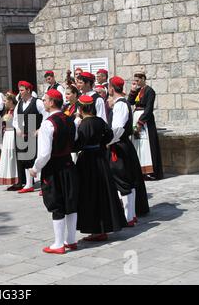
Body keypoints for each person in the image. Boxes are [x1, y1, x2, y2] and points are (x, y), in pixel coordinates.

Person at [30, 89, 79, 254]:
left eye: (45, 100)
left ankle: (59, 243)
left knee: (56, 203)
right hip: (68, 164)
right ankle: (71, 240)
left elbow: (45, 153)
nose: (43, 102)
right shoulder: (71, 120)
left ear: (51, 102)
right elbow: (76, 139)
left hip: (53, 167)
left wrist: (36, 168)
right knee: (70, 202)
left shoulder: (48, 123)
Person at [75, 95, 127, 242]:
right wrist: (101, 144)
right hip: (100, 158)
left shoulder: (84, 124)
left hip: (87, 161)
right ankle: (103, 227)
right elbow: (109, 134)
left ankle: (96, 229)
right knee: (102, 192)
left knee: (90, 193)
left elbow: (78, 144)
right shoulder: (100, 121)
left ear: (80, 108)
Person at [107, 77, 149, 227]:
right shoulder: (122, 103)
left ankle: (128, 216)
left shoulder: (120, 105)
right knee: (128, 181)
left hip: (118, 146)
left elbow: (117, 129)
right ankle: (131, 215)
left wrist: (107, 142)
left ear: (112, 89)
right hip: (123, 144)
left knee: (123, 181)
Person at [9, 81, 48, 193]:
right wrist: (18, 129)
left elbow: (47, 115)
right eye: (20, 90)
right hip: (22, 135)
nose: (20, 93)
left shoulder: (38, 102)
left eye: (22, 90)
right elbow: (15, 119)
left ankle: (43, 185)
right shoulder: (19, 104)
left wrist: (40, 129)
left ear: (28, 90)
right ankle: (28, 184)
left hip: (34, 135)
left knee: (36, 158)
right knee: (25, 159)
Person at [128, 72, 164, 180]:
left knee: (146, 145)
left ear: (143, 79)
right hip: (136, 117)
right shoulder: (137, 91)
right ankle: (139, 170)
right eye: (135, 80)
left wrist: (140, 122)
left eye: (138, 80)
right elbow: (130, 102)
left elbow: (149, 109)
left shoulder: (150, 91)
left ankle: (150, 171)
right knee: (138, 144)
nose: (136, 82)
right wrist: (133, 91)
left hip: (145, 121)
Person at [0, 92, 18, 186]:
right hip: (7, 135)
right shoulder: (8, 111)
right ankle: (11, 180)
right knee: (8, 157)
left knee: (12, 157)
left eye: (5, 101)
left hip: (13, 135)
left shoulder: (16, 110)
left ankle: (17, 180)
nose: (4, 102)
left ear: (10, 101)